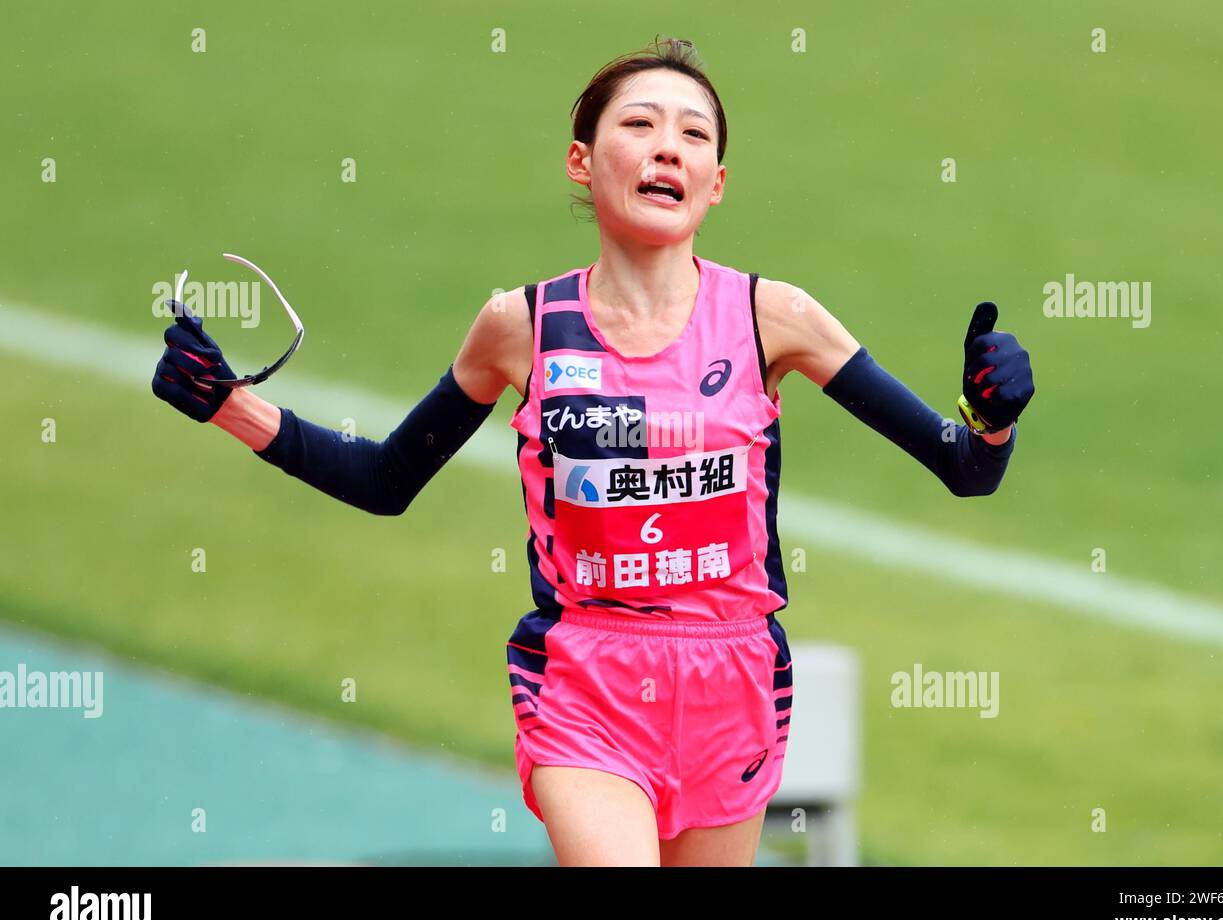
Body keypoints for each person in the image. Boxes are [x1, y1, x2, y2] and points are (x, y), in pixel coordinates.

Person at [151, 37, 1035, 867]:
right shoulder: (521, 328)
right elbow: (386, 479)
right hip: (587, 683)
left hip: (735, 683)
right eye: (640, 125)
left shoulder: (776, 318)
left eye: (694, 136)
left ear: (716, 182)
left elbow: (965, 468)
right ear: (583, 159)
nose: (668, 148)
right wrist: (228, 405)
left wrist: (992, 415)